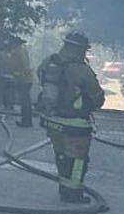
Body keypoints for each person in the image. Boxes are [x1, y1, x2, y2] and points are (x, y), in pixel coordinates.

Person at [35, 31, 105, 203]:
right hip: (76, 124)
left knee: (61, 156)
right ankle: (74, 193)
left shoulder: (49, 62)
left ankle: (64, 189)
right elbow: (98, 98)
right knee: (78, 161)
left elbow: (40, 77)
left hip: (52, 120)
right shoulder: (82, 70)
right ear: (81, 49)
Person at [0, 34, 33, 125]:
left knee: (25, 101)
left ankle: (26, 122)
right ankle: (26, 121)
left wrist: (16, 74)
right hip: (24, 79)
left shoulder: (19, 52)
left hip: (24, 79)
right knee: (25, 101)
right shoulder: (21, 51)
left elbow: (23, 67)